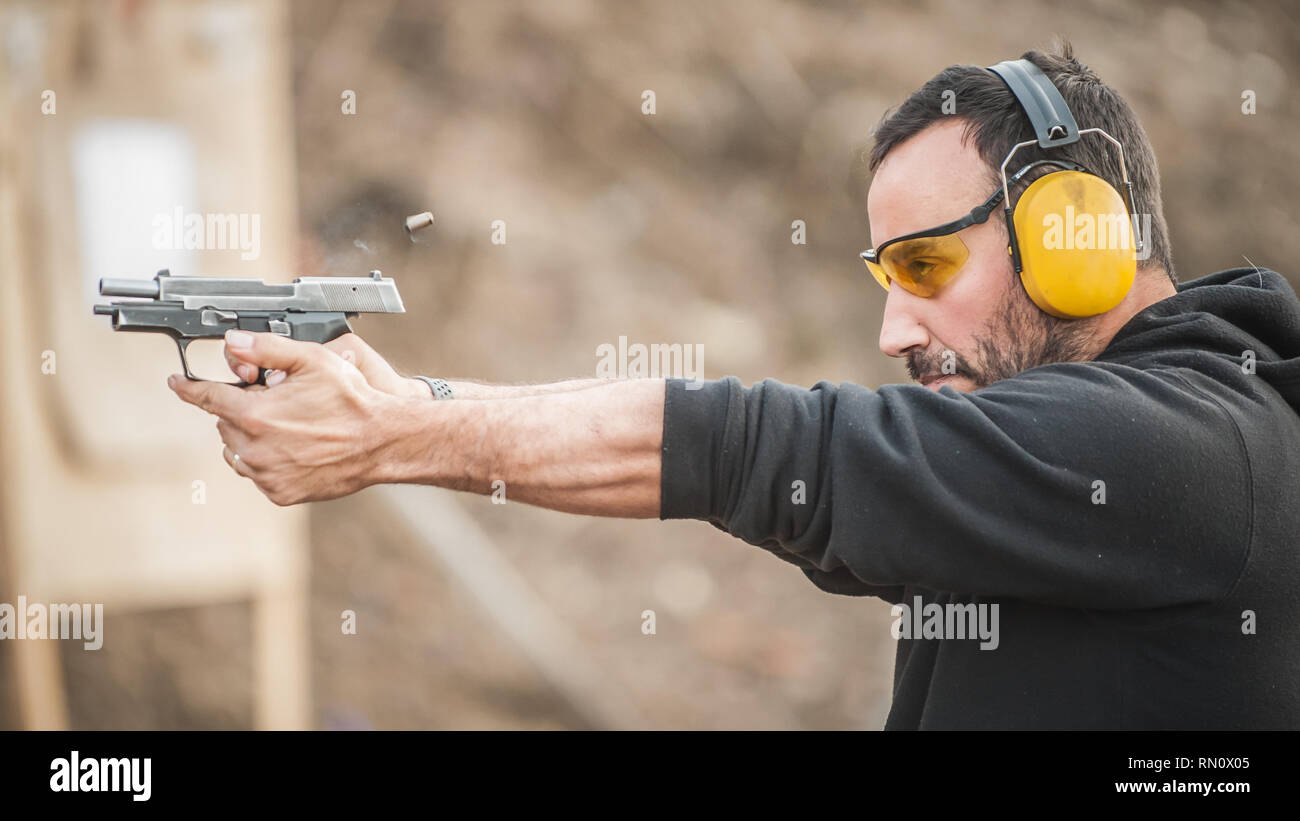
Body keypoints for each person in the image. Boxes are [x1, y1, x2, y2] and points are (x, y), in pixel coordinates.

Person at [168, 44, 1300, 729]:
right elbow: (809, 472)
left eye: (925, 266)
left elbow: (765, 449)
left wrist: (397, 436)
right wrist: (407, 400)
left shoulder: (1194, 453)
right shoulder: (1071, 478)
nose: (893, 325)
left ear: (1079, 237)